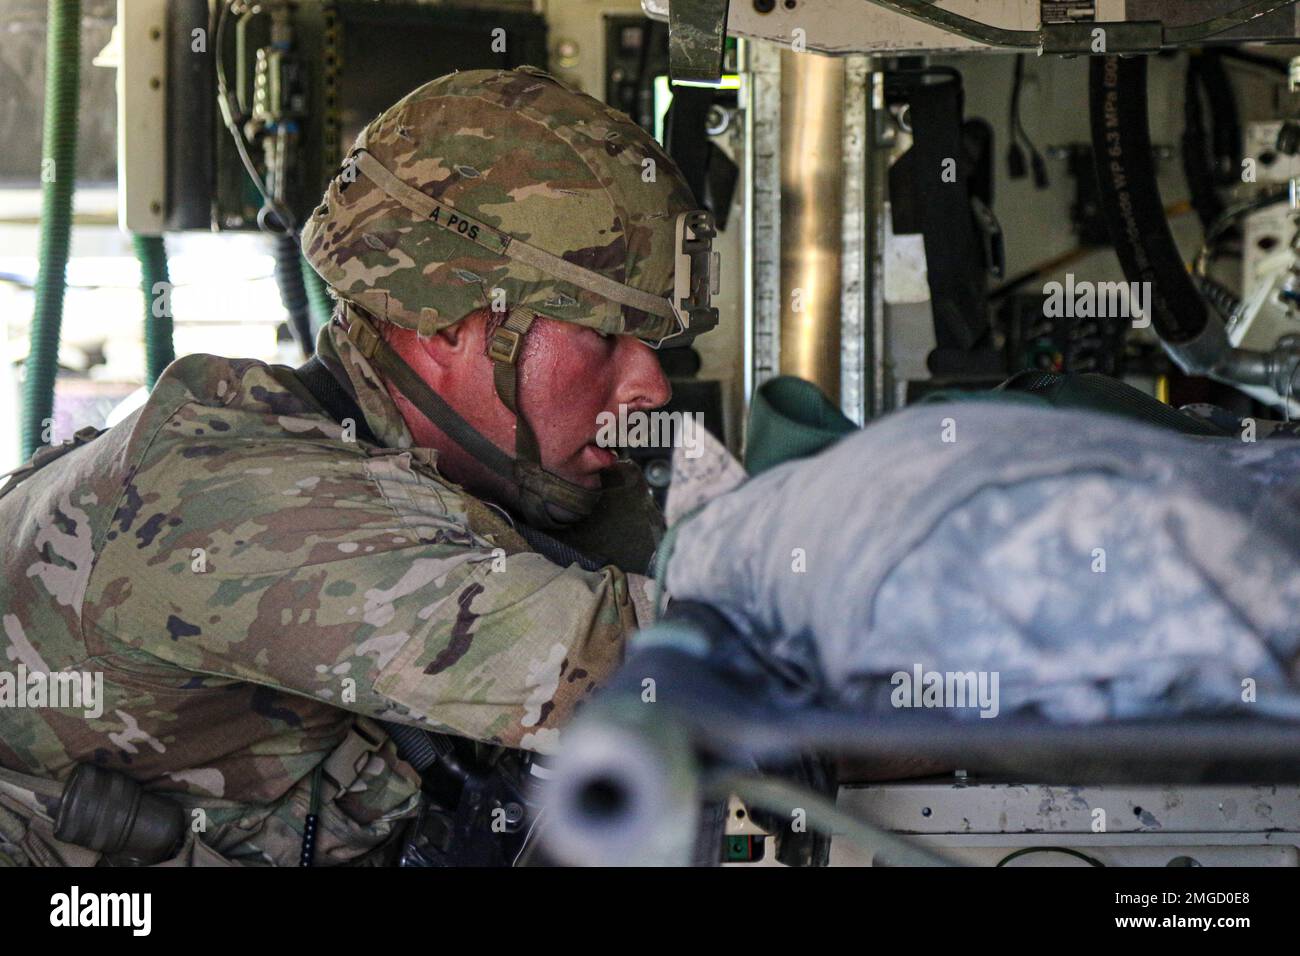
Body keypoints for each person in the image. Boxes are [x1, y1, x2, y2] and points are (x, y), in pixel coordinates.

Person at [0, 65, 719, 866]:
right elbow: (659, 671)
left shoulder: (436, 474)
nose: (649, 385)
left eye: (654, 348)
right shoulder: (244, 501)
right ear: (449, 322)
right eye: (605, 337)